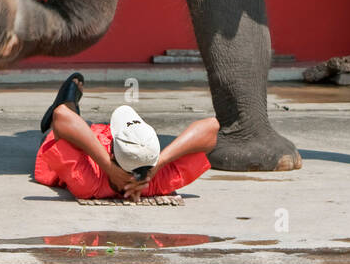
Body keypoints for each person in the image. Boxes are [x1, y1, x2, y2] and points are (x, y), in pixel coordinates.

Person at [33, 73, 219, 201]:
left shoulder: (90, 184)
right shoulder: (158, 181)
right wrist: (159, 163)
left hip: (80, 142)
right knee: (79, 125)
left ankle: (70, 101)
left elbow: (61, 117)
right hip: (103, 140)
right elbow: (212, 127)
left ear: (113, 153)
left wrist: (106, 164)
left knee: (64, 120)